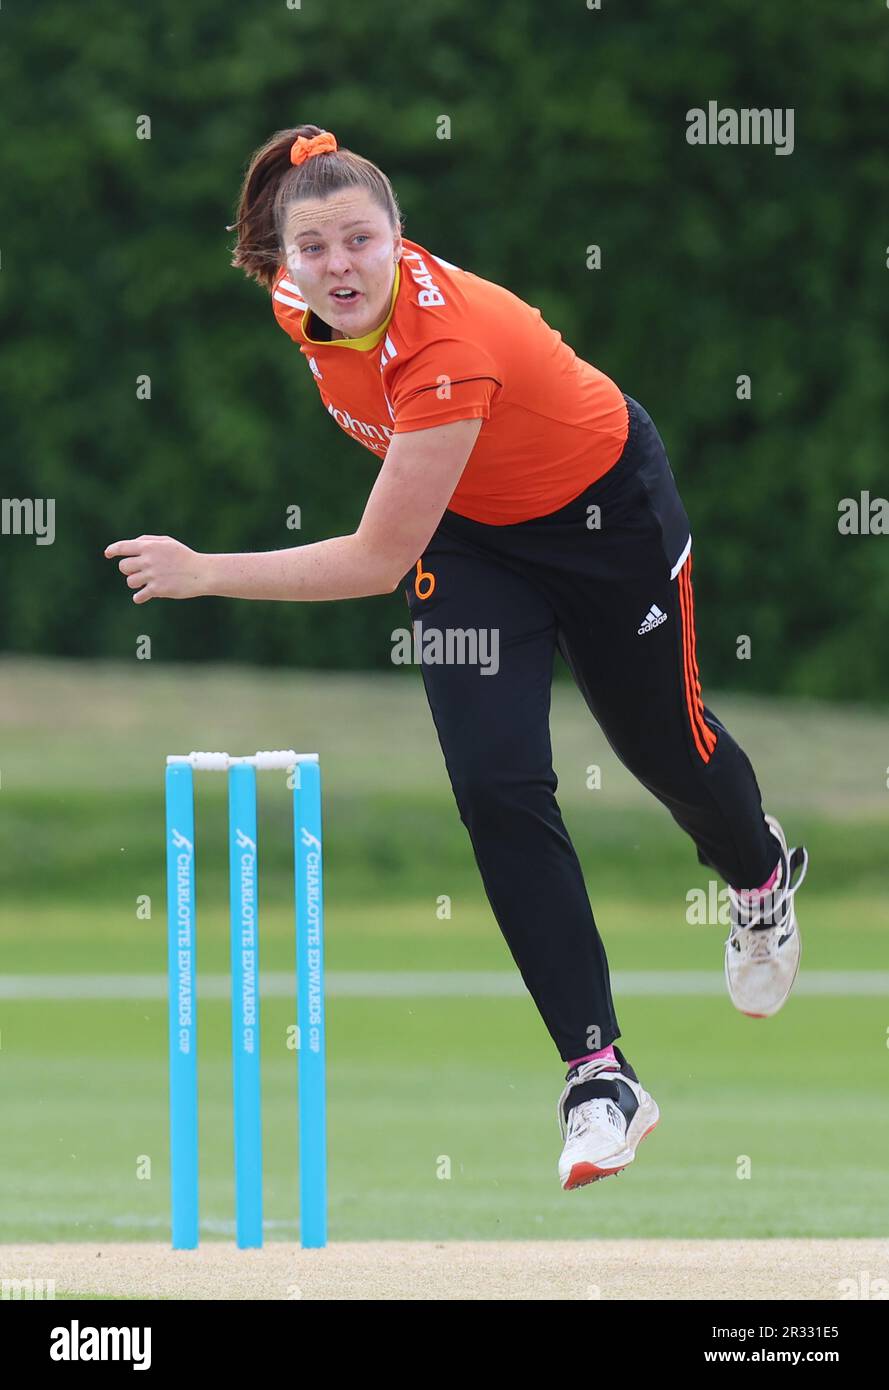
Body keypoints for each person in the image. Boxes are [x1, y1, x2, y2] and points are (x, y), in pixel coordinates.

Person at [105, 126, 809, 1191]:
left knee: (666, 751)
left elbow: (375, 557)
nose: (338, 266)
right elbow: (417, 533)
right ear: (280, 257)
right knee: (495, 780)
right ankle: (599, 1075)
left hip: (603, 517)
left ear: (402, 240)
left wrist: (205, 570)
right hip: (470, 538)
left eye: (360, 240)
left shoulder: (444, 348)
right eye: (313, 247)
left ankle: (756, 872)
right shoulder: (299, 303)